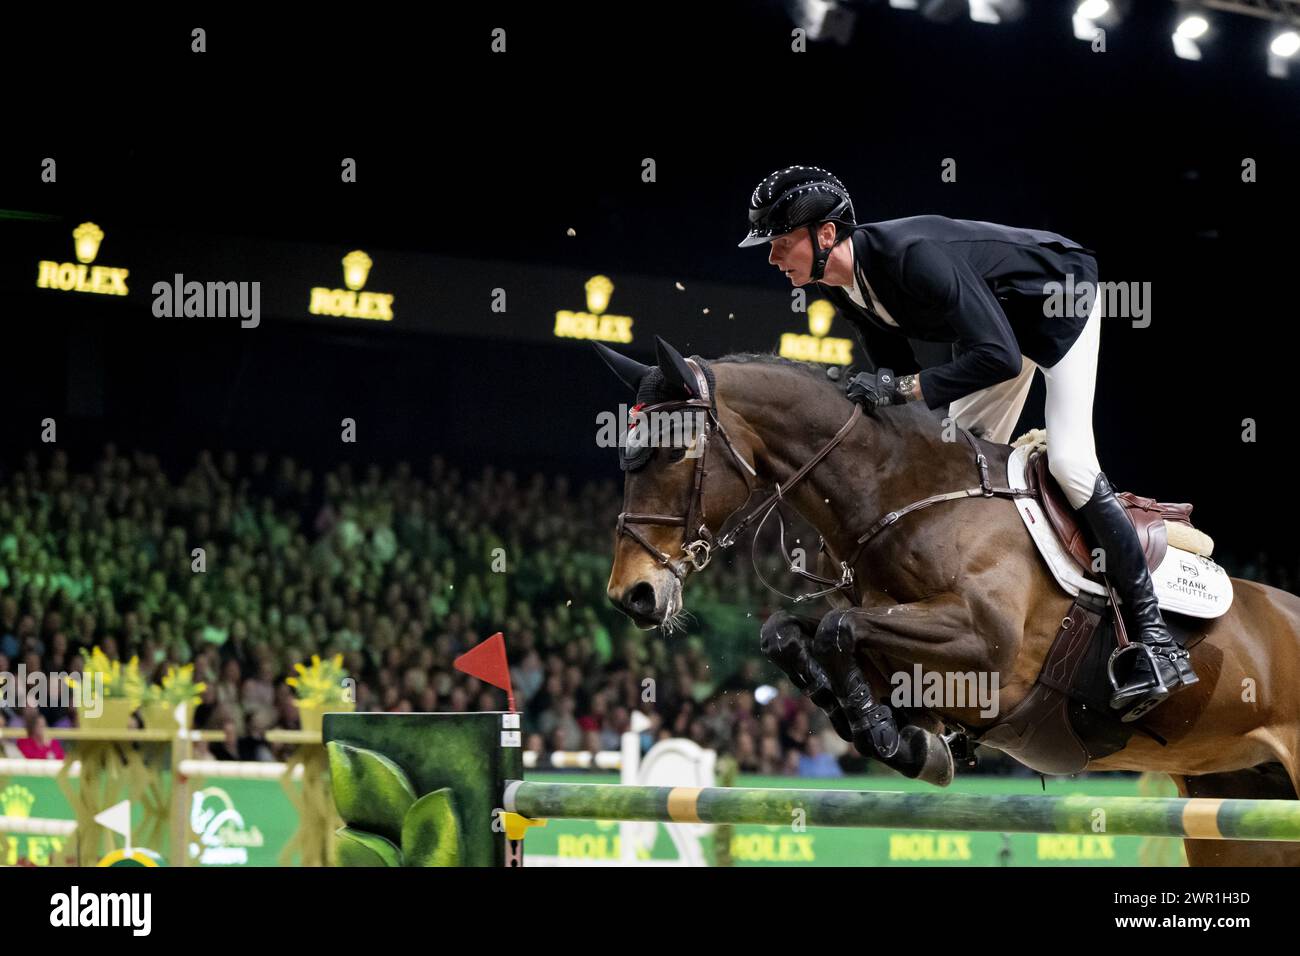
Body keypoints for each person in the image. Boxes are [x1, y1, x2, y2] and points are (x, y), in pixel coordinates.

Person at [739, 165, 1195, 720]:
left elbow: (991, 359)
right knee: (955, 460)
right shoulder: (844, 287)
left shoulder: (911, 257)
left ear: (826, 235)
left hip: (1057, 306)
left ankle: (1155, 640)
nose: (771, 258)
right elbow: (902, 387)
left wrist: (899, 389)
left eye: (780, 243)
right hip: (999, 327)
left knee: (1073, 462)